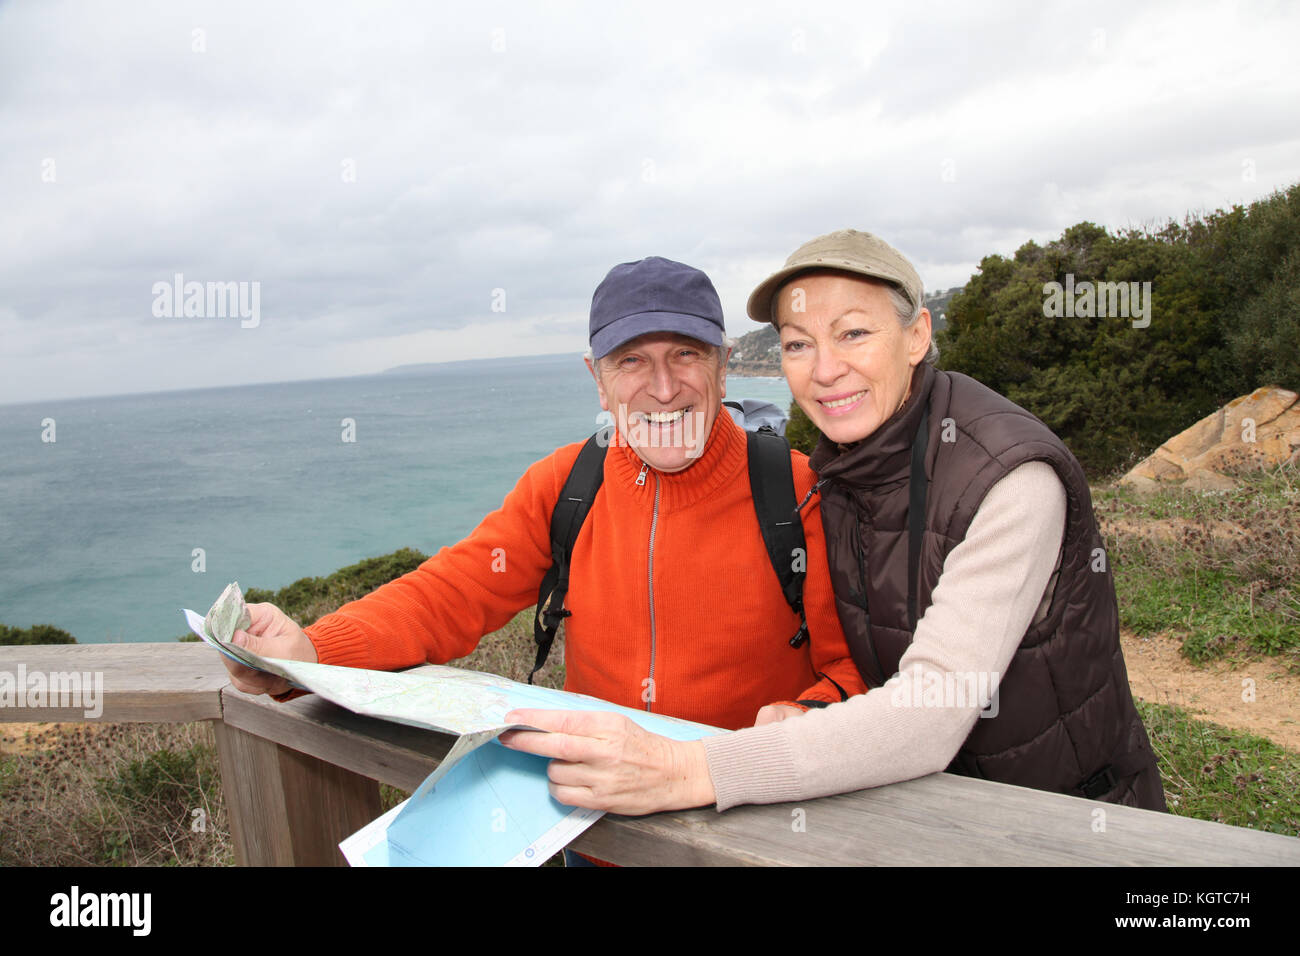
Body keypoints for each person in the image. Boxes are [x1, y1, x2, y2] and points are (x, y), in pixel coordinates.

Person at [501, 230, 1166, 815]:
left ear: (917, 336)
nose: (825, 370)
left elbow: (934, 709)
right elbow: (853, 656)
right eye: (798, 343)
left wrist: (692, 769)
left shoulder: (1009, 477)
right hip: (924, 817)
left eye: (853, 333)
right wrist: (814, 706)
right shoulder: (844, 470)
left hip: (1062, 820)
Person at [220, 254, 863, 744]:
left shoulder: (799, 492)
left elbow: (855, 669)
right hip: (596, 833)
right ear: (597, 378)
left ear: (724, 365)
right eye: (630, 361)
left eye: (685, 355)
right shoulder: (567, 485)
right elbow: (448, 594)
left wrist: (808, 717)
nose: (663, 388)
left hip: (742, 836)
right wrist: (312, 652)